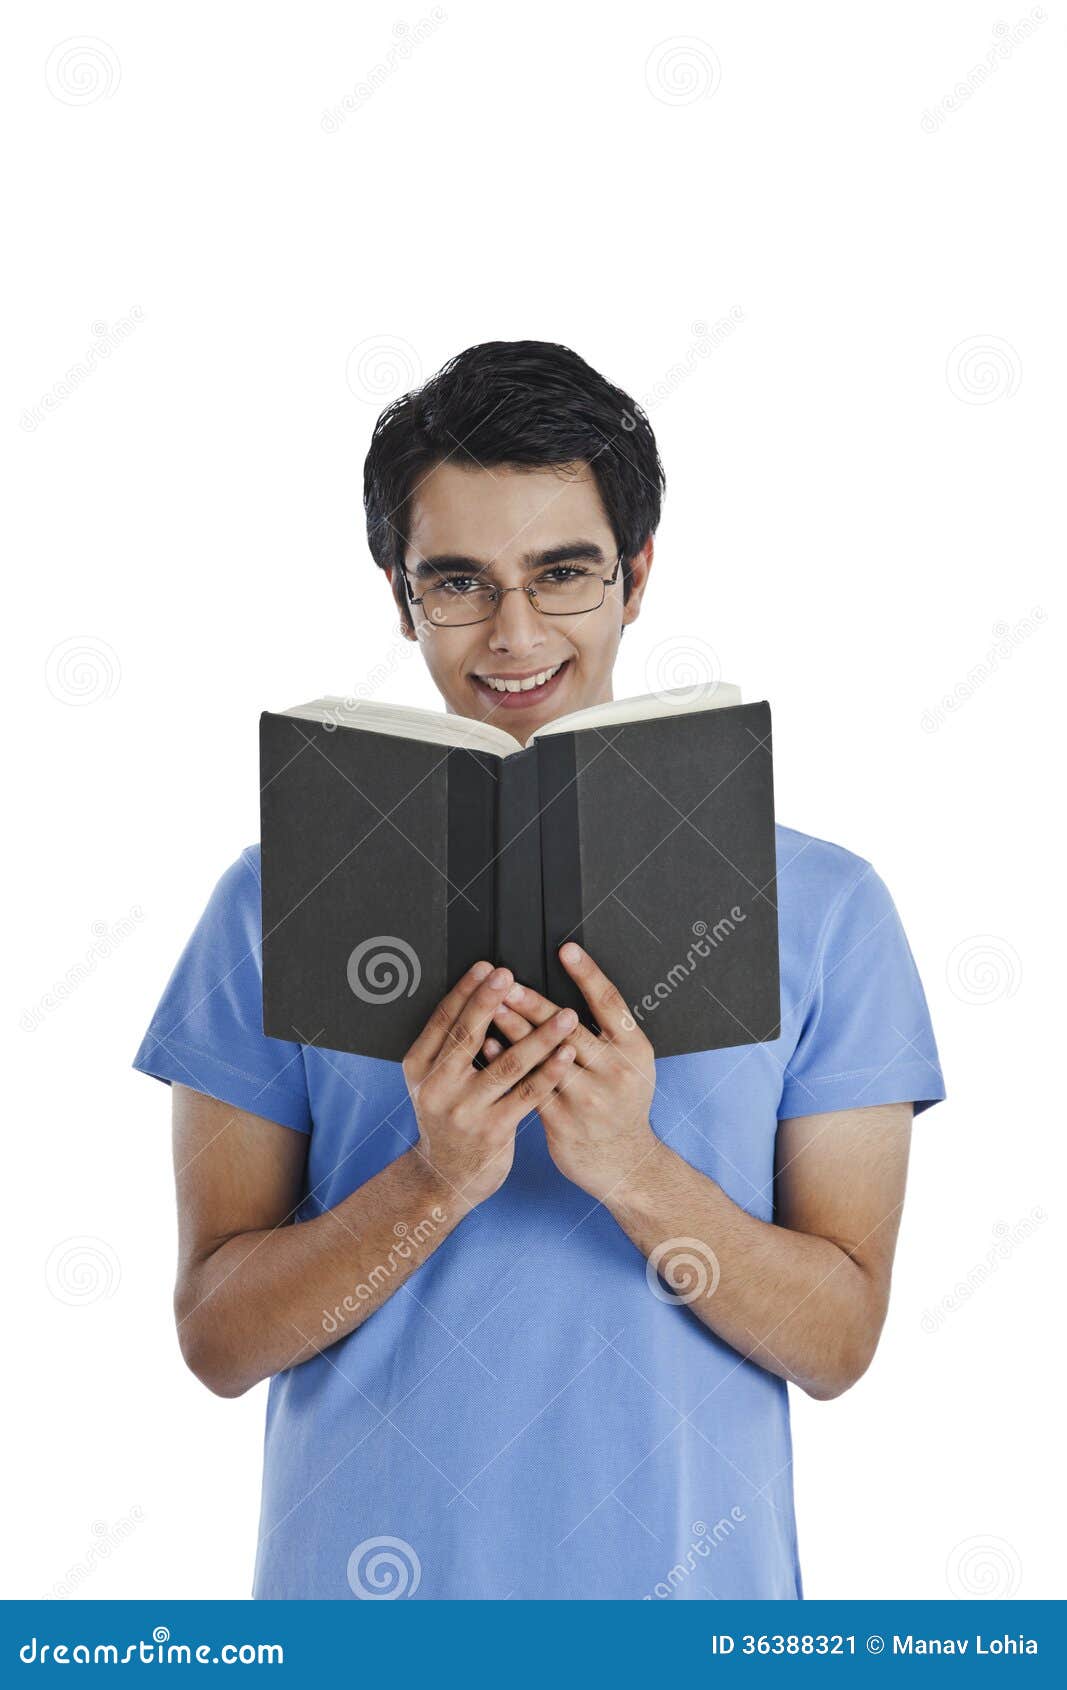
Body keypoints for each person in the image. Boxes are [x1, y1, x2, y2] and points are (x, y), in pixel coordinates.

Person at [132, 340, 946, 1601]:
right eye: (457, 581)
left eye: (560, 573)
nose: (512, 633)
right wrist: (432, 1180)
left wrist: (629, 1167)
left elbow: (836, 1343)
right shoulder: (269, 896)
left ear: (635, 576)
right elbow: (217, 1340)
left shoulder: (826, 907)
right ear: (400, 597)